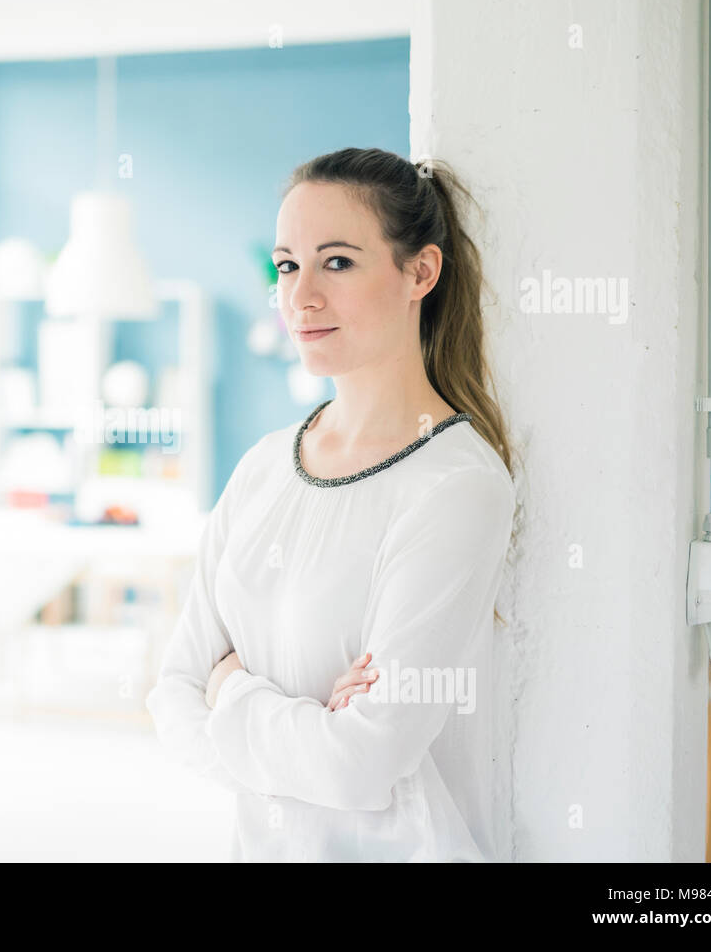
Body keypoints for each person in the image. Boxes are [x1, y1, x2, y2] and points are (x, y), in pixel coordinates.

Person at [144, 147, 517, 862]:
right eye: (287, 265)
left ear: (420, 272)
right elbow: (171, 699)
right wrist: (306, 728)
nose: (300, 295)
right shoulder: (261, 469)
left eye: (337, 262)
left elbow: (361, 762)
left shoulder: (457, 484)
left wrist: (232, 687)